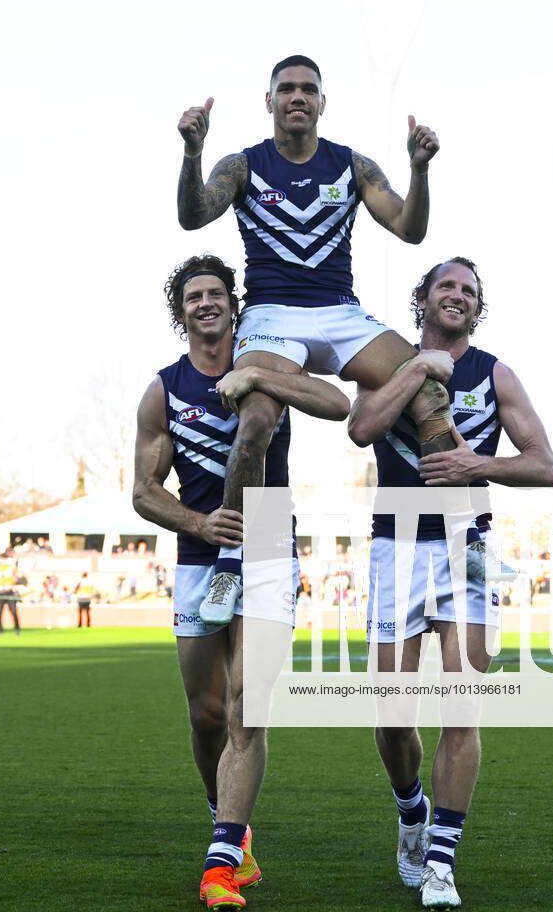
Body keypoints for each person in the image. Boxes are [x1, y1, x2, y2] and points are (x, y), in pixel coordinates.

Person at [177, 54, 452, 624]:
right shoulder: (244, 166)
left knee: (429, 391)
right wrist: (192, 152)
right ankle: (231, 562)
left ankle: (462, 534)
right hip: (273, 315)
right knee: (255, 419)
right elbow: (194, 215)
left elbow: (410, 228)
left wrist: (420, 170)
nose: (297, 97)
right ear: (270, 101)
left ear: (322, 103)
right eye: (287, 89)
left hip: (339, 311)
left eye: (308, 89)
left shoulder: (352, 166)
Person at [132, 253, 349, 909]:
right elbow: (143, 492)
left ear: (234, 304)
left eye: (216, 293)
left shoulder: (265, 364)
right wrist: (199, 523)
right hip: (200, 557)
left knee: (245, 709)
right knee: (205, 720)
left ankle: (222, 860)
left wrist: (255, 373)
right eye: (194, 296)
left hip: (267, 553)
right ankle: (230, 822)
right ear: (181, 314)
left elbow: (338, 402)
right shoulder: (163, 389)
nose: (206, 303)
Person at [348, 257, 553, 908]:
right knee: (392, 713)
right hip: (396, 547)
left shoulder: (495, 373)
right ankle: (409, 810)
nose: (457, 296)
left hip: (466, 550)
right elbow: (360, 428)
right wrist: (414, 370)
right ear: (424, 298)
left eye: (468, 290)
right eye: (446, 285)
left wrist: (478, 461)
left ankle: (440, 860)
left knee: (461, 709)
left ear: (477, 307)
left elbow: (544, 466)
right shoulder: (387, 363)